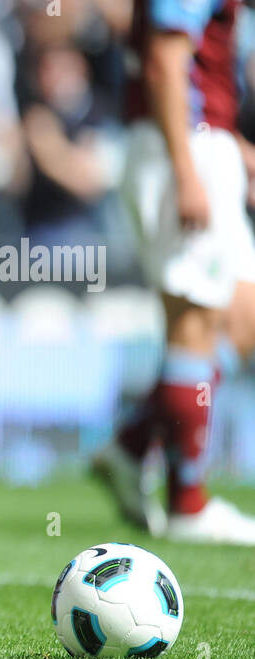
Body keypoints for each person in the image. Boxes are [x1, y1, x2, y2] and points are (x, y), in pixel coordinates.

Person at [94, 0, 255, 544]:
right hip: (183, 149)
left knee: (244, 319)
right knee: (193, 326)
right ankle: (189, 505)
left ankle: (134, 443)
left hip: (203, 142)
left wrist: (233, 150)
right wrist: (187, 169)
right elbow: (166, 58)